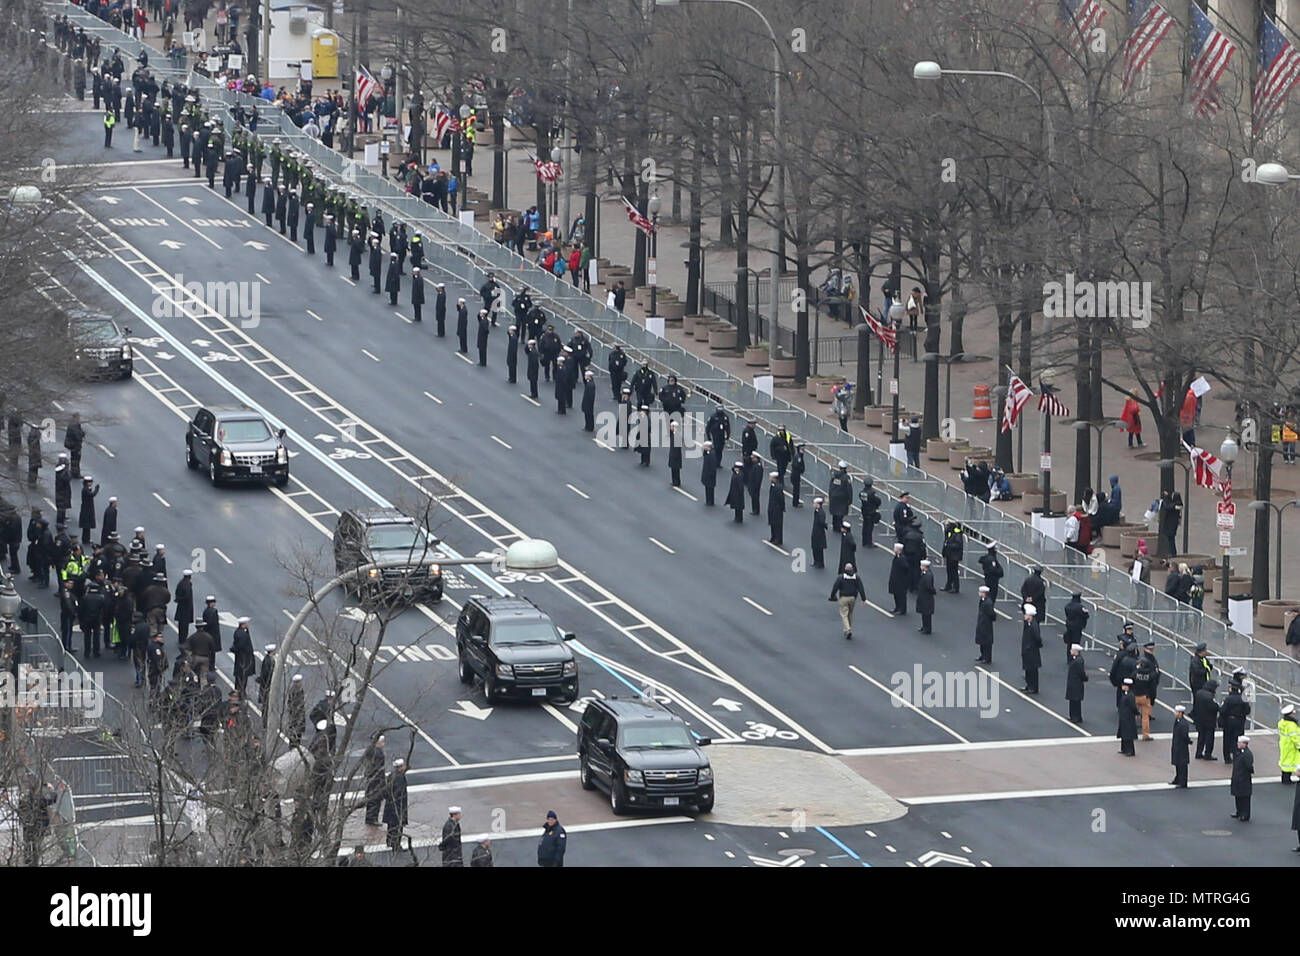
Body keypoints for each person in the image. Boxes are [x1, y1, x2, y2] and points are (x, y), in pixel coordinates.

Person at [829, 563, 867, 640]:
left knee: (844, 614)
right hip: (853, 598)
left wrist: (832, 596)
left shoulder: (841, 577)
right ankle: (848, 628)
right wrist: (863, 599)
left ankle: (847, 629)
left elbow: (835, 587)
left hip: (843, 598)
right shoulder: (856, 577)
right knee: (850, 613)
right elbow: (861, 588)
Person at [1220, 680, 1251, 763]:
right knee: (1237, 739)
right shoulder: (1242, 699)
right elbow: (1247, 710)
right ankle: (1237, 755)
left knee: (1226, 739)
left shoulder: (1228, 699)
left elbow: (1222, 710)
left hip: (1229, 721)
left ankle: (1227, 758)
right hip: (1239, 721)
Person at [383, 758, 409, 850]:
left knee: (391, 825)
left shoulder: (391, 775)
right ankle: (396, 844)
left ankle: (389, 841)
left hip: (390, 805)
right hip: (398, 806)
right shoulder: (400, 778)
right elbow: (400, 793)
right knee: (398, 826)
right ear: (401, 767)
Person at [1192, 679, 1220, 760]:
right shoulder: (1210, 696)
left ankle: (1198, 752)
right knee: (1209, 738)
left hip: (1199, 719)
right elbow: (1214, 707)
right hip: (1209, 720)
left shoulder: (1199, 693)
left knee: (1201, 736)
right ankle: (1208, 754)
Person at [1230, 737, 1254, 822]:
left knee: (1244, 797)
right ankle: (1239, 812)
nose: (1237, 744)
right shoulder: (1238, 752)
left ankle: (1245, 814)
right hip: (1237, 778)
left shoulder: (1247, 754)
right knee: (1238, 796)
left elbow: (1249, 766)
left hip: (1243, 778)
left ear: (1244, 744)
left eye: (1239, 743)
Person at [1062, 592, 1089, 666]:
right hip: (1077, 627)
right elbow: (1086, 615)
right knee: (1076, 642)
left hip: (1069, 626)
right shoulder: (1080, 607)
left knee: (1069, 643)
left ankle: (1069, 658)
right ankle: (1075, 657)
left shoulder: (1067, 606)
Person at [1021, 604, 1042, 694]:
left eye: (1026, 614)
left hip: (1032, 651)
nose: (1024, 616)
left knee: (1032, 670)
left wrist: (1033, 646)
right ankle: (1029, 685)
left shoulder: (1034, 625)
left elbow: (1037, 638)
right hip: (1027, 650)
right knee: (1028, 669)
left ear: (1030, 616)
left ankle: (1033, 687)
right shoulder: (1028, 624)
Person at [1169, 704, 1191, 787]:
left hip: (1181, 746)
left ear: (1180, 713)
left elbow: (1184, 736)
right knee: (1178, 763)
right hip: (1177, 745)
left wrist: (1188, 741)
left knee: (1182, 764)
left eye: (1176, 712)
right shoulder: (1178, 721)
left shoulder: (1183, 724)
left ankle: (1183, 781)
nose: (1175, 713)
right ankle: (1178, 779)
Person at [940, 521, 964, 593]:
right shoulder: (950, 533)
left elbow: (958, 545)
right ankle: (948, 585)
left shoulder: (957, 534)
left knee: (954, 572)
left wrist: (949, 545)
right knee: (949, 571)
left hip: (954, 556)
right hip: (949, 555)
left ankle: (955, 587)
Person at [1066, 643, 1087, 723]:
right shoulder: (1075, 659)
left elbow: (1081, 673)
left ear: (1076, 651)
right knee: (1073, 700)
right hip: (1073, 683)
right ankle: (1073, 715)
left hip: (1076, 683)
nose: (1070, 651)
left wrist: (1085, 678)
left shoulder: (1078, 661)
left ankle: (1076, 716)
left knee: (1076, 700)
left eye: (1072, 650)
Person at [1117, 678, 1138, 756]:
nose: (1123, 686)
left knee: (1128, 734)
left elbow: (1133, 706)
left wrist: (1136, 713)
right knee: (1124, 733)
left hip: (1128, 717)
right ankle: (1124, 748)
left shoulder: (1130, 695)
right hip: (1124, 716)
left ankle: (1130, 750)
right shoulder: (1125, 694)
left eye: (1124, 685)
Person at [975, 586, 995, 664]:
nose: (979, 593)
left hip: (986, 624)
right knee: (982, 640)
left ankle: (987, 658)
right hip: (982, 622)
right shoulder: (982, 601)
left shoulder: (988, 603)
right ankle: (983, 655)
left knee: (987, 641)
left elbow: (992, 614)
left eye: (980, 592)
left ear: (984, 593)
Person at [1280, 704, 1300, 784]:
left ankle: (1285, 778)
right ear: (1290, 714)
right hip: (1291, 746)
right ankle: (1287, 780)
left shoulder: (1282, 722)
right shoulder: (1291, 725)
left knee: (1285, 762)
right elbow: (1295, 737)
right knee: (1291, 762)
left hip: (1284, 744)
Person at [888, 542, 909, 615]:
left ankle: (902, 609)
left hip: (901, 580)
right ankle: (897, 607)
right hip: (896, 579)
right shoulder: (897, 557)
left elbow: (906, 568)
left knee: (901, 595)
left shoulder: (902, 558)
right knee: (896, 594)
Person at [916, 559, 937, 634]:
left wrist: (933, 591)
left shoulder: (928, 575)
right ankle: (924, 626)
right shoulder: (925, 573)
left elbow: (929, 586)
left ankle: (927, 628)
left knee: (927, 613)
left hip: (926, 597)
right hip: (924, 596)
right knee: (924, 612)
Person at [766, 472, 785, 546]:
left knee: (777, 524)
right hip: (772, 507)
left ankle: (778, 539)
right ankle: (773, 537)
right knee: (773, 523)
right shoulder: (773, 485)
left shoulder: (778, 487)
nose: (770, 478)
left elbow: (781, 498)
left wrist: (782, 507)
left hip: (777, 508)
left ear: (774, 478)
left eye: (771, 477)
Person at [810, 498, 827, 570]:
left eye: (814, 503)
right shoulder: (816, 511)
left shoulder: (821, 513)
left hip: (819, 533)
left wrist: (825, 525)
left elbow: (822, 522)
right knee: (815, 547)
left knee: (819, 548)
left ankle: (820, 562)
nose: (813, 505)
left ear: (818, 504)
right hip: (815, 532)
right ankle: (816, 561)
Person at [699, 442, 717, 506]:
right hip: (707, 473)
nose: (704, 447)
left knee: (710, 488)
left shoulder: (712, 454)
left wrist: (710, 474)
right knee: (708, 487)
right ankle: (708, 500)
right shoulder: (708, 452)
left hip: (710, 474)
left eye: (705, 446)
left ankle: (710, 501)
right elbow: (704, 455)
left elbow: (712, 466)